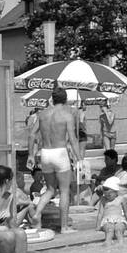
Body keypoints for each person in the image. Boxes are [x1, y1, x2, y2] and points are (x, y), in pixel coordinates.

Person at [30, 89, 79, 233]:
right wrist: (79, 158)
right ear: (65, 100)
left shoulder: (42, 114)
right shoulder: (67, 115)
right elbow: (73, 139)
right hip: (60, 152)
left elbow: (32, 134)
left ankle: (37, 213)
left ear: (52, 99)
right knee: (64, 191)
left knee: (50, 189)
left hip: (45, 153)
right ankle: (64, 227)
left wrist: (30, 155)